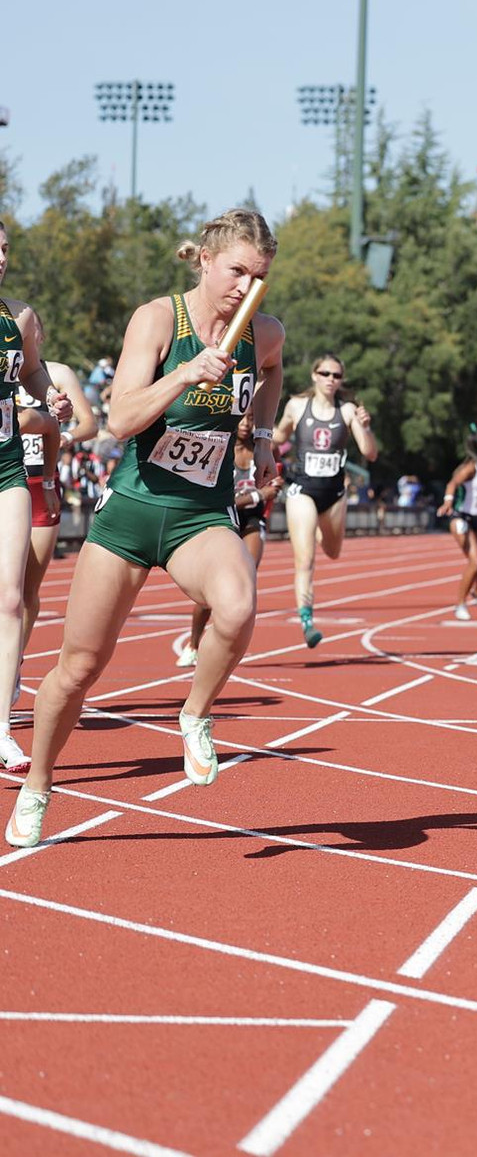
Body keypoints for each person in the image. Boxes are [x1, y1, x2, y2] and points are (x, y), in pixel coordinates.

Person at [9, 208, 284, 848]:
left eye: (260, 275)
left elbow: (271, 373)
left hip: (197, 517)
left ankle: (195, 714)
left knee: (239, 604)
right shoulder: (160, 319)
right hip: (131, 513)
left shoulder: (262, 332)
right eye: (238, 271)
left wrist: (263, 436)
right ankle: (39, 785)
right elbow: (121, 419)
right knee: (79, 668)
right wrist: (186, 374)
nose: (247, 286)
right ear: (206, 261)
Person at [0, 221, 80, 774]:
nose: (0, 258)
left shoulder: (17, 316)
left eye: (4, 249)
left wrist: (51, 395)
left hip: (6, 467)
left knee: (10, 599)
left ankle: (0, 726)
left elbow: (30, 370)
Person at [271, 353, 378, 647]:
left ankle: (319, 527)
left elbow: (370, 453)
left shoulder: (347, 411)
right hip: (302, 489)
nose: (331, 379)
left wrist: (366, 427)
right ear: (314, 375)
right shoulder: (296, 406)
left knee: (332, 551)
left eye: (337, 375)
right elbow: (278, 437)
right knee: (305, 560)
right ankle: (307, 621)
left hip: (334, 494)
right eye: (326, 373)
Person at [181, 412, 282, 665]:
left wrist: (270, 492)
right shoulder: (220, 448)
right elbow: (224, 500)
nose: (247, 424)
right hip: (221, 520)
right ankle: (193, 644)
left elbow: (275, 487)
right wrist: (257, 495)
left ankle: (226, 642)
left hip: (251, 522)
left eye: (252, 418)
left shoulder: (264, 450)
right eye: (243, 418)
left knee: (244, 577)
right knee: (208, 592)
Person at [19, 361, 99, 661]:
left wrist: (63, 436)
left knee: (28, 588)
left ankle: (14, 660)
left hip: (42, 483)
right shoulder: (6, 369)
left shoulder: (56, 374)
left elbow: (90, 425)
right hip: (9, 479)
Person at [437, 428, 477, 620]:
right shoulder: (470, 467)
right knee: (476, 561)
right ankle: (460, 604)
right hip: (461, 518)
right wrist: (448, 501)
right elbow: (452, 483)